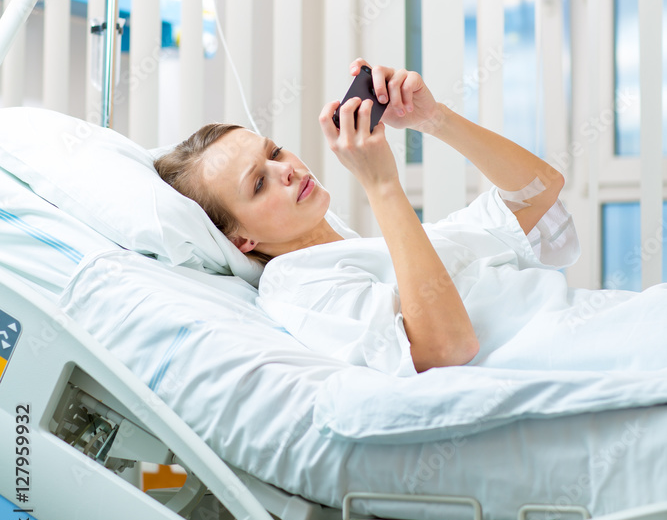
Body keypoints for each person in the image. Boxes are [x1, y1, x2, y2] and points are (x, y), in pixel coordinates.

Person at [155, 59, 597, 377]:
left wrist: (434, 119)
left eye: (274, 153)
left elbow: (539, 190)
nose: (285, 169)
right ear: (241, 241)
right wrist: (382, 185)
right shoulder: (295, 288)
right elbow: (446, 347)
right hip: (577, 353)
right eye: (258, 184)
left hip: (597, 324)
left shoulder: (380, 251)